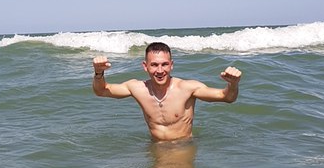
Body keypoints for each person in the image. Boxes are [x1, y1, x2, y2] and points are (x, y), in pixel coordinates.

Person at [92, 41, 242, 141]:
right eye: (154, 65)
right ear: (145, 66)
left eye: (164, 64)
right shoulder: (137, 88)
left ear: (171, 65)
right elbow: (102, 91)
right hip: (156, 149)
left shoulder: (187, 88)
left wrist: (233, 84)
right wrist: (99, 72)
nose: (160, 70)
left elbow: (226, 97)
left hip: (183, 149)